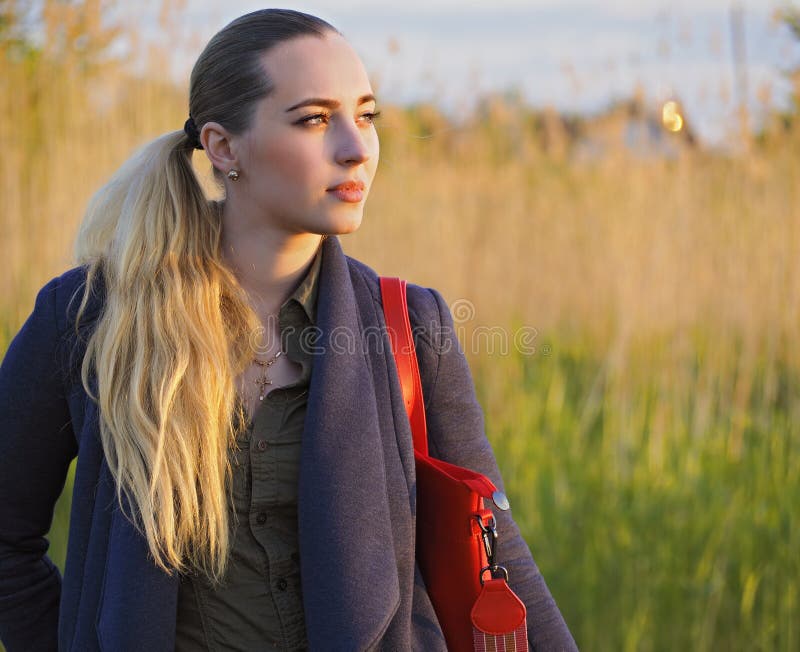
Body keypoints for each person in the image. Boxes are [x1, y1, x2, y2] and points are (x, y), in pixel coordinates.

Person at [0, 8, 577, 652]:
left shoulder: (411, 325)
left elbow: (495, 550)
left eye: (365, 115)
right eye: (313, 119)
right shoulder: (88, 317)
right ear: (223, 147)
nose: (356, 147)